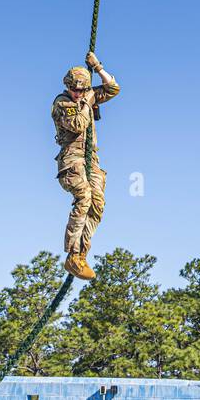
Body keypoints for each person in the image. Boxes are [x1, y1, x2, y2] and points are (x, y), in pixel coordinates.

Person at [51, 51, 120, 280]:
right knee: (84, 198)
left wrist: (98, 67)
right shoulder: (63, 103)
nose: (77, 93)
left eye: (81, 90)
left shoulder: (86, 97)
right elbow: (79, 124)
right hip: (72, 160)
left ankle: (81, 253)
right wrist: (87, 101)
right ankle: (72, 254)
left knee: (97, 205)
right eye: (75, 89)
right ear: (68, 86)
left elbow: (113, 89)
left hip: (92, 160)